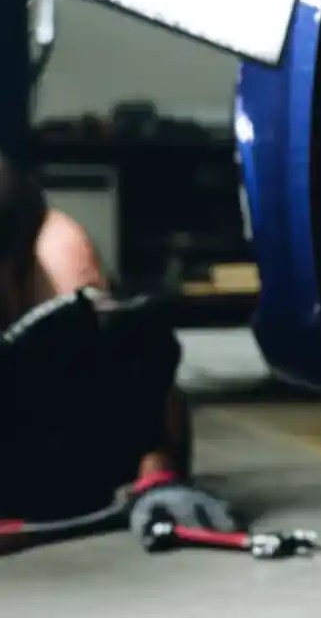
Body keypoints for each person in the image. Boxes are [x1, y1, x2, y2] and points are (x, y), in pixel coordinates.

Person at [0, 150, 235, 542]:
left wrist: (158, 479)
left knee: (123, 340)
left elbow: (141, 377)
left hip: (61, 437)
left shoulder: (61, 261)